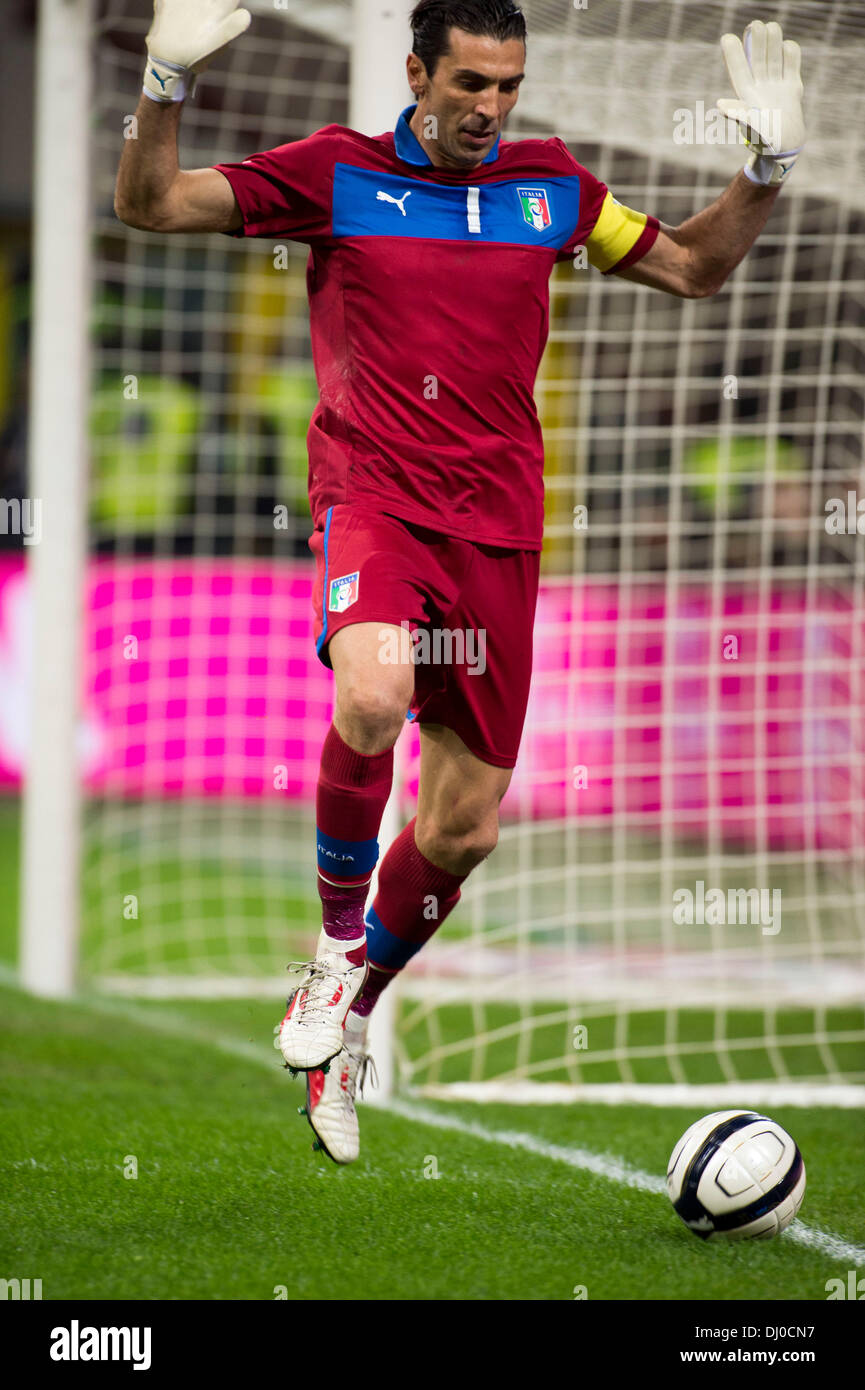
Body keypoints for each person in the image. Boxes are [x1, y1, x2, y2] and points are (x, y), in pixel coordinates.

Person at [115, 0, 806, 1163]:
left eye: (508, 87)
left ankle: (354, 1018)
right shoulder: (334, 172)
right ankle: (333, 958)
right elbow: (150, 204)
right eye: (470, 84)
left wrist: (766, 170)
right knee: (373, 696)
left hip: (499, 528)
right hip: (376, 496)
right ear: (416, 72)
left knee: (465, 826)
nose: (490, 109)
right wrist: (161, 85)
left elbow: (692, 269)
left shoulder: (555, 191)